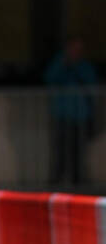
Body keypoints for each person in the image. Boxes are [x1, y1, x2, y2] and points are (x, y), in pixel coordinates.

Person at [44, 36, 98, 188]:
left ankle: (78, 183)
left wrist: (76, 68)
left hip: (80, 116)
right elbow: (50, 78)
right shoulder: (59, 63)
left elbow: (90, 82)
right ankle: (55, 183)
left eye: (79, 49)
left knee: (78, 152)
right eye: (73, 48)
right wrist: (65, 64)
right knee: (60, 151)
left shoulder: (84, 66)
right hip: (62, 116)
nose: (76, 52)